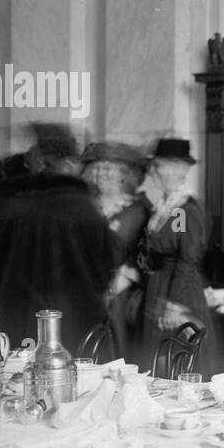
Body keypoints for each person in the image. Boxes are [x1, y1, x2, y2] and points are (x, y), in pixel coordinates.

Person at [0, 124, 112, 351]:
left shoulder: (12, 205)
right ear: (68, 163)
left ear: (39, 160)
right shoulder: (83, 206)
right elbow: (106, 263)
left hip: (18, 317)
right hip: (74, 320)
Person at [137, 137, 217, 374]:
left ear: (185, 170)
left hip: (179, 292)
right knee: (159, 360)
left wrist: (174, 305)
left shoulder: (184, 210)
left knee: (179, 360)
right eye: (162, 166)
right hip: (158, 287)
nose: (167, 173)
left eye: (175, 167)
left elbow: (188, 260)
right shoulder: (164, 206)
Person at [82, 141, 151, 360]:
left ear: (124, 174)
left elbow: (145, 256)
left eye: (109, 169)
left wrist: (114, 287)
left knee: (117, 355)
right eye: (98, 168)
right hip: (84, 291)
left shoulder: (138, 209)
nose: (101, 174)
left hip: (121, 296)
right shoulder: (85, 205)